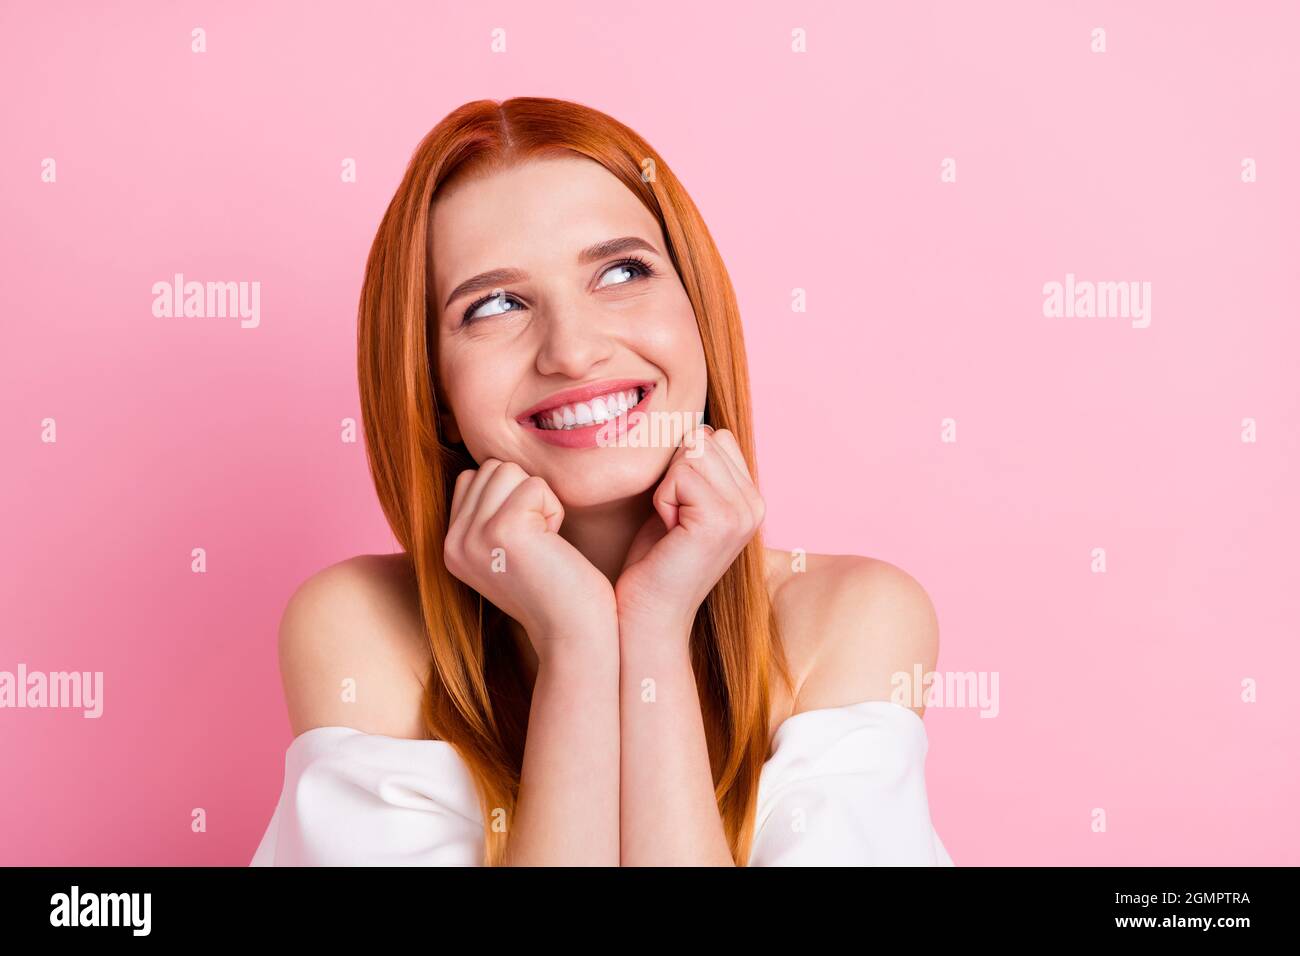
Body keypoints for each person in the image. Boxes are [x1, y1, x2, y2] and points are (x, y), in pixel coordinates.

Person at [251, 96, 954, 867]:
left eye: (621, 271)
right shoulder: (361, 631)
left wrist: (651, 630)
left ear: (698, 314)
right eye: (494, 304)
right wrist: (578, 645)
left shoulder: (853, 622)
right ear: (435, 392)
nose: (573, 350)